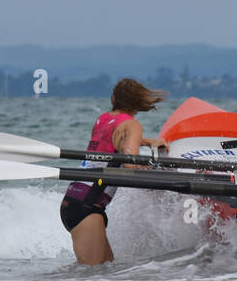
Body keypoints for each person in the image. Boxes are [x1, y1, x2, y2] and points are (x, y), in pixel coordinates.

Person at [60, 78, 168, 265]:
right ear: (138, 101)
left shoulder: (103, 119)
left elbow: (113, 143)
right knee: (89, 279)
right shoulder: (132, 125)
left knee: (107, 273)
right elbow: (130, 165)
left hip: (76, 199)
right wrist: (154, 170)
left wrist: (147, 141)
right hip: (88, 207)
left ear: (114, 98)